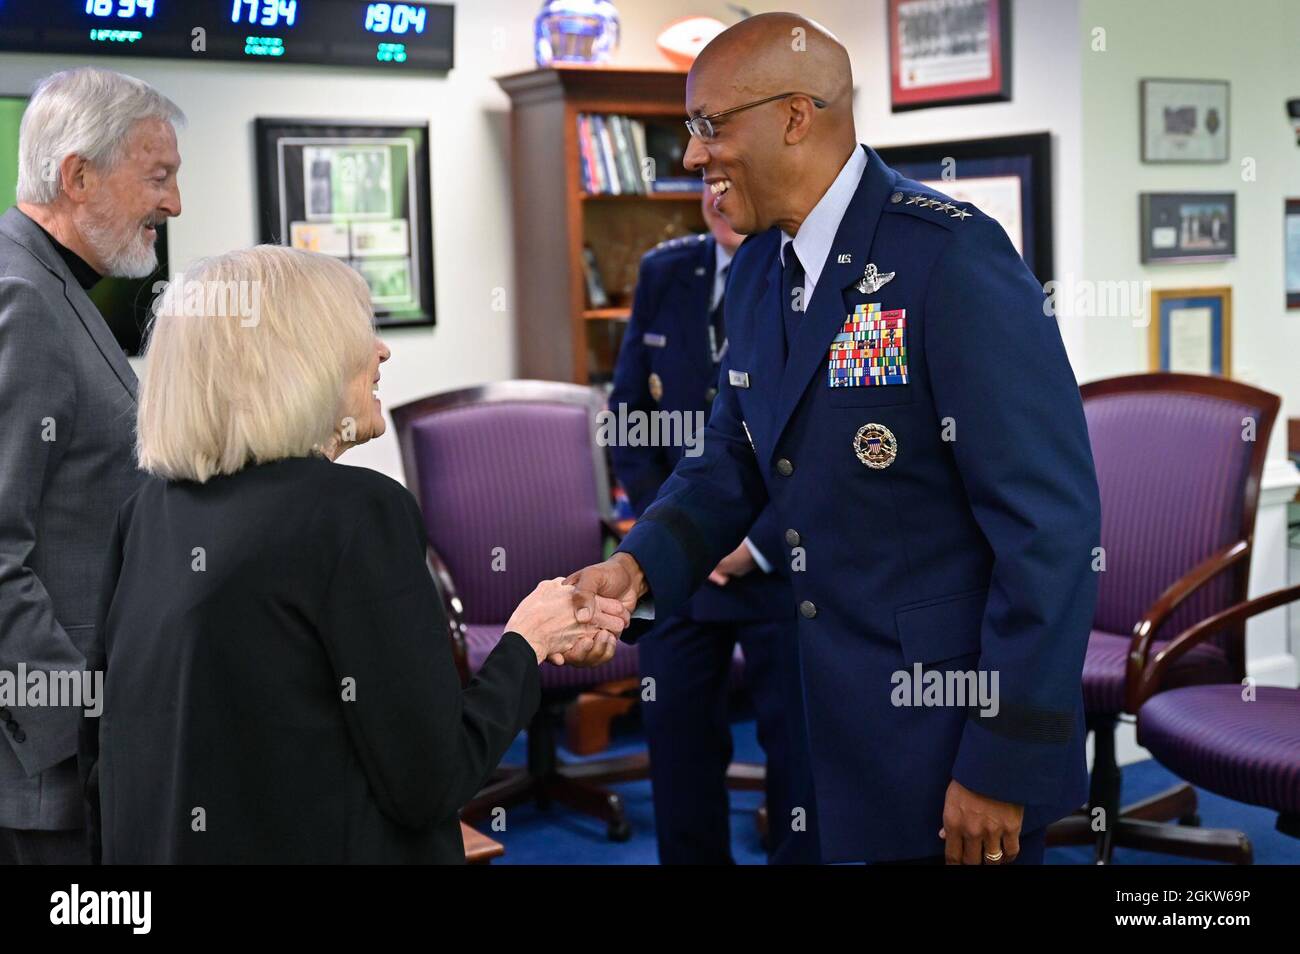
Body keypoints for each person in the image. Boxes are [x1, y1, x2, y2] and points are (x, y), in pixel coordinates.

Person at [564, 13, 1101, 865]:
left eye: (710, 125)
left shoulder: (950, 258)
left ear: (794, 116)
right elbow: (730, 461)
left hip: (948, 735)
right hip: (824, 721)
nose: (693, 157)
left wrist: (1004, 759)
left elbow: (1052, 531)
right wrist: (635, 567)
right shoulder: (754, 271)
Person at [78, 246, 629, 863]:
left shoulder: (149, 512)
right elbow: (432, 780)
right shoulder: (355, 514)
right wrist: (527, 640)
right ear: (299, 361)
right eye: (361, 332)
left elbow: (103, 754)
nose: (382, 352)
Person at [0, 67, 184, 865]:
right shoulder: (24, 301)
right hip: (45, 775)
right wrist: (82, 722)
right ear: (78, 176)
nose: (172, 204)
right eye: (159, 176)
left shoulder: (57, 285)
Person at [608, 191, 814, 863]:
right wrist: (661, 522)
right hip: (675, 562)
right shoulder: (665, 270)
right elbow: (628, 414)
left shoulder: (802, 268)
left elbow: (819, 439)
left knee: (798, 752)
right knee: (675, 738)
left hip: (776, 558)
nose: (715, 191)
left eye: (730, 173)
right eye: (704, 177)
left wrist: (753, 544)